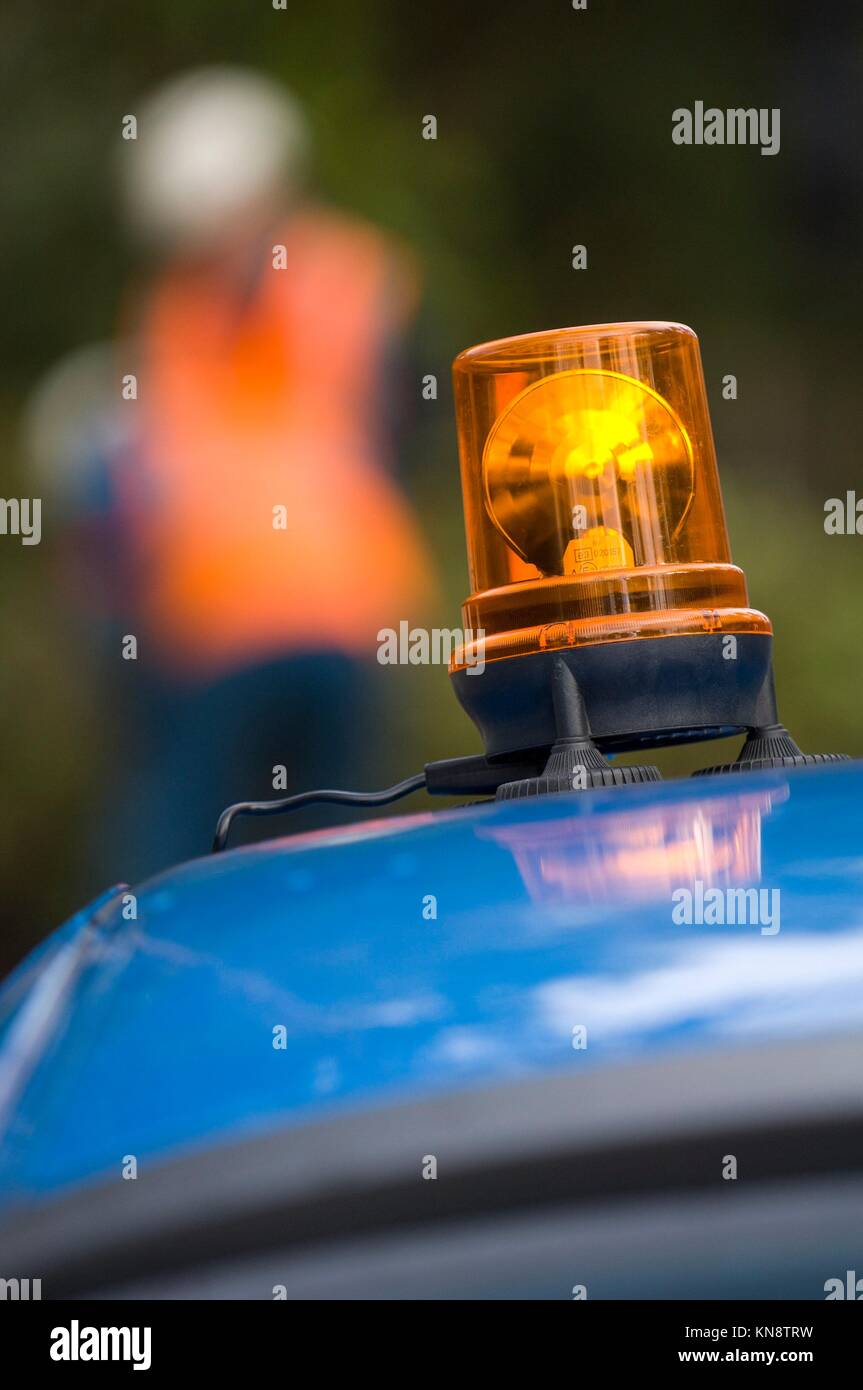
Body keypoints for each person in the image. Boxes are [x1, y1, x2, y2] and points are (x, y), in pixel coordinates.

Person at [29, 68, 436, 882]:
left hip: (269, 625)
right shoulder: (326, 285)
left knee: (186, 867)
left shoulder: (283, 293)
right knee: (333, 859)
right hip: (277, 622)